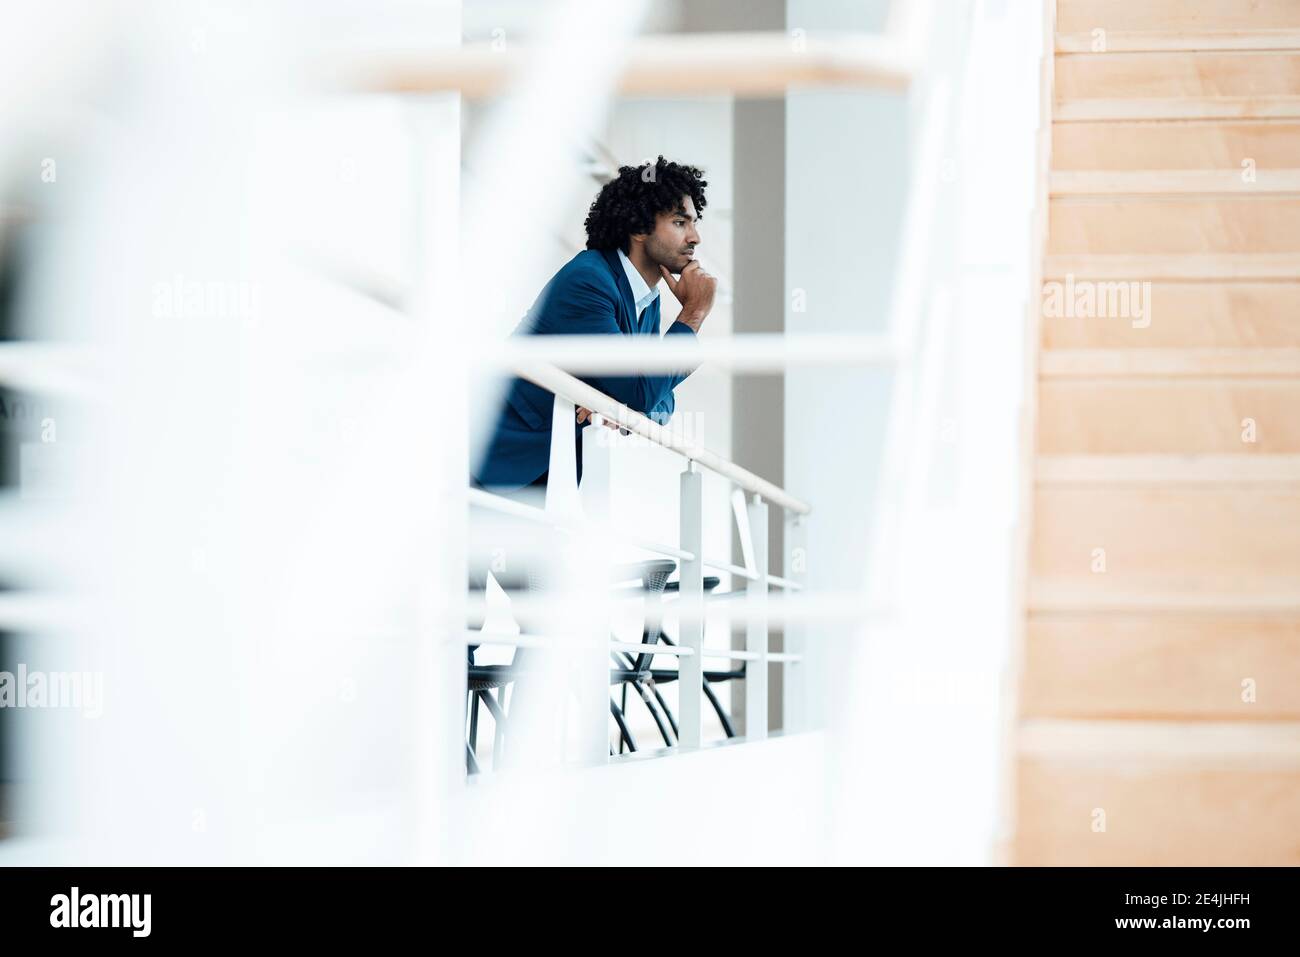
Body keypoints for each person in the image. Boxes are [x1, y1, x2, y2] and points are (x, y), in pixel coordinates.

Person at [472, 155, 718, 494]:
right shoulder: (589, 280)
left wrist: (621, 399)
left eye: (693, 223)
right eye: (680, 222)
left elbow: (661, 404)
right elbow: (640, 391)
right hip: (489, 456)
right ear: (639, 228)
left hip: (545, 468)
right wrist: (692, 315)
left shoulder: (647, 301)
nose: (695, 237)